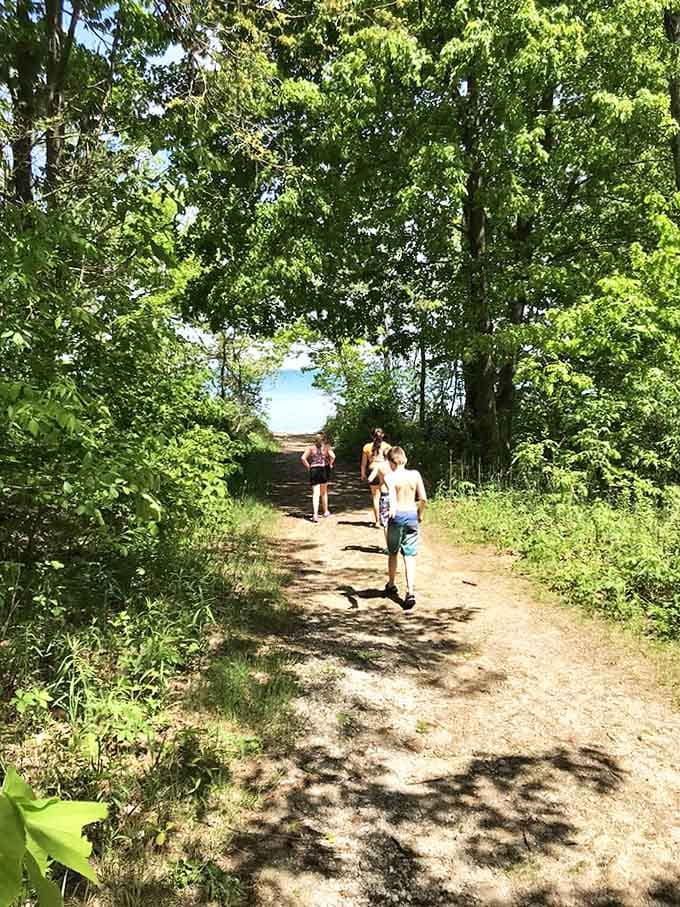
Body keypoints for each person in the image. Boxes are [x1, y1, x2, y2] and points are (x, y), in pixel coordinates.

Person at [383, 446, 427, 610]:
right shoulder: (415, 474)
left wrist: (392, 510)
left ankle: (392, 584)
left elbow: (392, 498)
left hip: (397, 516)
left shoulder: (390, 477)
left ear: (390, 462)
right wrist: (420, 514)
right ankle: (410, 592)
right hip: (411, 516)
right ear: (404, 459)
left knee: (393, 552)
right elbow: (423, 499)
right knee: (409, 556)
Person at [360, 428, 391, 528]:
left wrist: (363, 474)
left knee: (375, 497)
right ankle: (386, 519)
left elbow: (363, 463)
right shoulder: (387, 446)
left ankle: (377, 521)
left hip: (372, 471)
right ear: (383, 435)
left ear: (371, 436)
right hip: (384, 471)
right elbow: (391, 461)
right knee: (386, 495)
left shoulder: (367, 447)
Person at [301, 433, 336, 523]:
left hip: (314, 469)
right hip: (323, 469)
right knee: (324, 492)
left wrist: (309, 467)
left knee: (315, 493)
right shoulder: (326, 448)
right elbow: (333, 456)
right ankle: (325, 511)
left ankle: (315, 514)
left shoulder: (311, 448)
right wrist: (331, 464)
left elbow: (303, 458)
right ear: (324, 439)